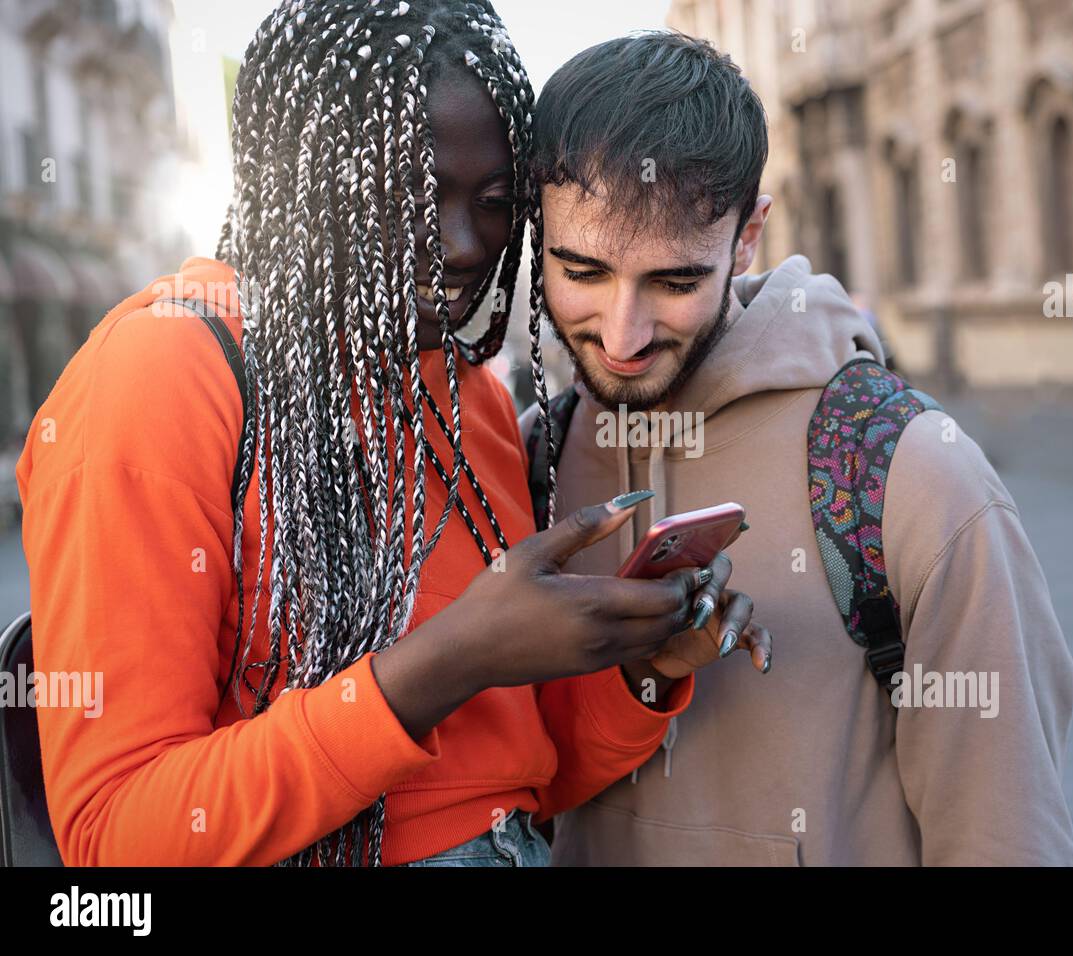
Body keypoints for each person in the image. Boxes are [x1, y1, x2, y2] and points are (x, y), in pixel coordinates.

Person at [14, 1, 769, 868]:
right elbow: (116, 839)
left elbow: (518, 781)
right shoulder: (160, 373)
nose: (457, 243)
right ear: (298, 181)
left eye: (493, 201)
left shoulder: (467, 392)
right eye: (405, 192)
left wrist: (647, 671)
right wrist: (449, 660)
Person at [521, 32, 1073, 865]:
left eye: (674, 283)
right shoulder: (528, 460)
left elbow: (1004, 839)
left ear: (748, 236)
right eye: (584, 273)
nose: (623, 334)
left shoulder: (909, 472)